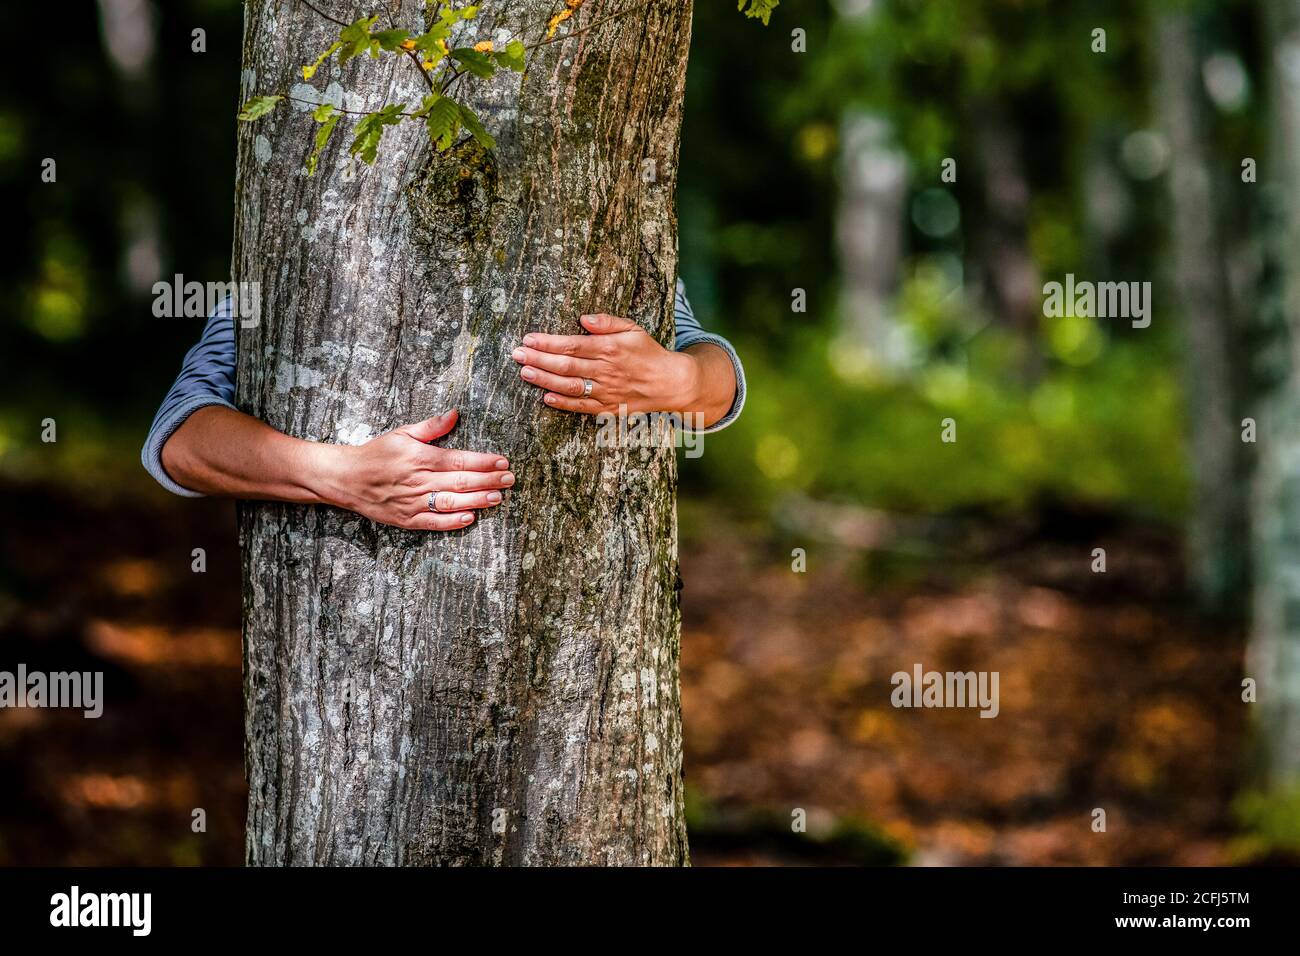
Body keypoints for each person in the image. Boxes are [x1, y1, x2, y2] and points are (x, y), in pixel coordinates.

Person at [142, 280, 745, 530]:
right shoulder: (298, 228)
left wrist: (677, 380)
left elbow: (715, 376)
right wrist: (339, 475)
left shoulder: (600, 208)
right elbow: (179, 437)